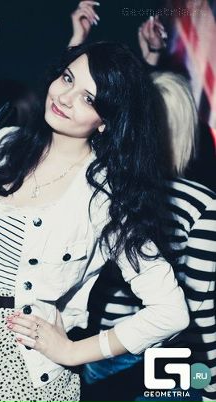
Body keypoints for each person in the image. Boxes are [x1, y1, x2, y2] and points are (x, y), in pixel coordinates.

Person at [0, 42, 190, 402]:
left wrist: (73, 352)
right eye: (67, 78)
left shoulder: (105, 197)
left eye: (88, 99)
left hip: (24, 371)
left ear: (106, 121)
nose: (65, 97)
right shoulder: (6, 145)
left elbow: (170, 312)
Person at [81, 72, 216, 402]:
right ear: (185, 131)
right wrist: (211, 388)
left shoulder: (103, 188)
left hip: (92, 347)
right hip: (153, 355)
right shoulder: (202, 205)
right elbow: (200, 312)